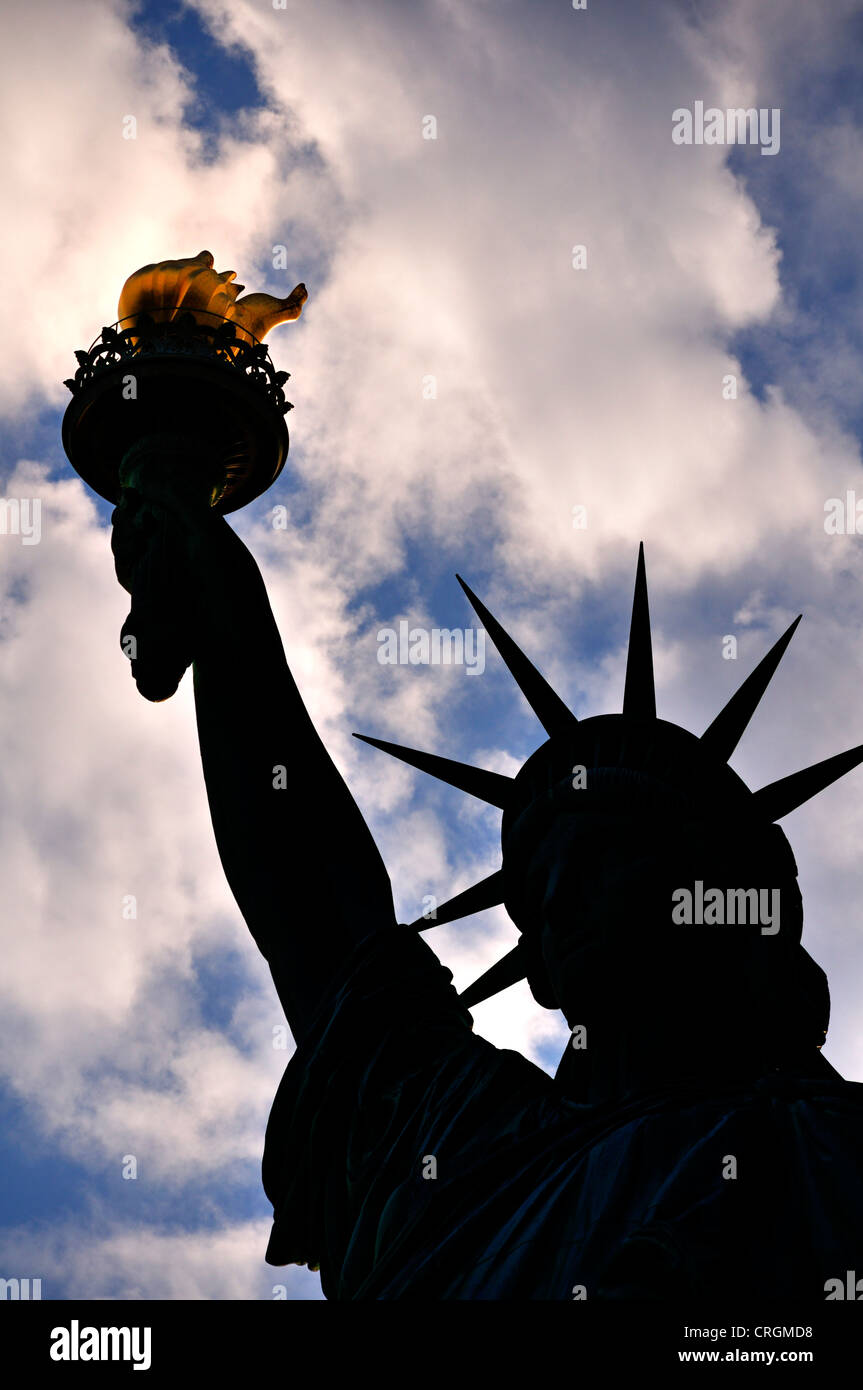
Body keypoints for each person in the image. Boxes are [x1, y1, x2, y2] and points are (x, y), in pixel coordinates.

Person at [112, 474, 863, 1300]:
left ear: (726, 902)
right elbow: (316, 905)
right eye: (536, 893)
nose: (558, 902)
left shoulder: (831, 1143)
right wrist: (224, 609)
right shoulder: (462, 1140)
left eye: (604, 857)